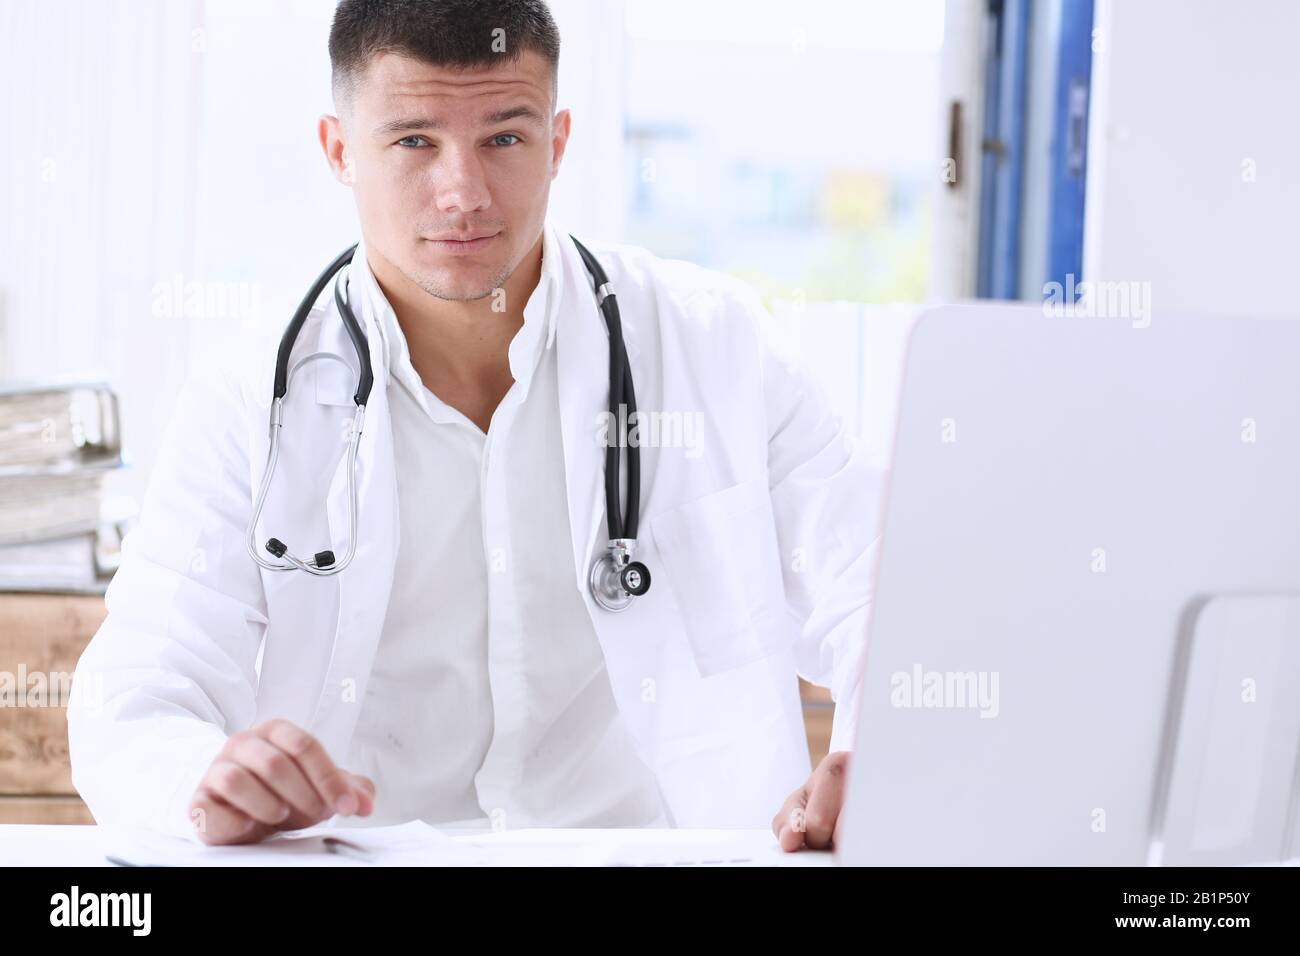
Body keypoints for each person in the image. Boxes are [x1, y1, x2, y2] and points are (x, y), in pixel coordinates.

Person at [68, 0, 881, 853]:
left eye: (504, 137)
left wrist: (878, 761)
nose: (462, 192)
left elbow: (875, 597)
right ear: (340, 150)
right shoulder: (248, 399)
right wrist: (201, 782)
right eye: (414, 140)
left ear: (558, 142)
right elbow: (141, 696)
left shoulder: (718, 347)